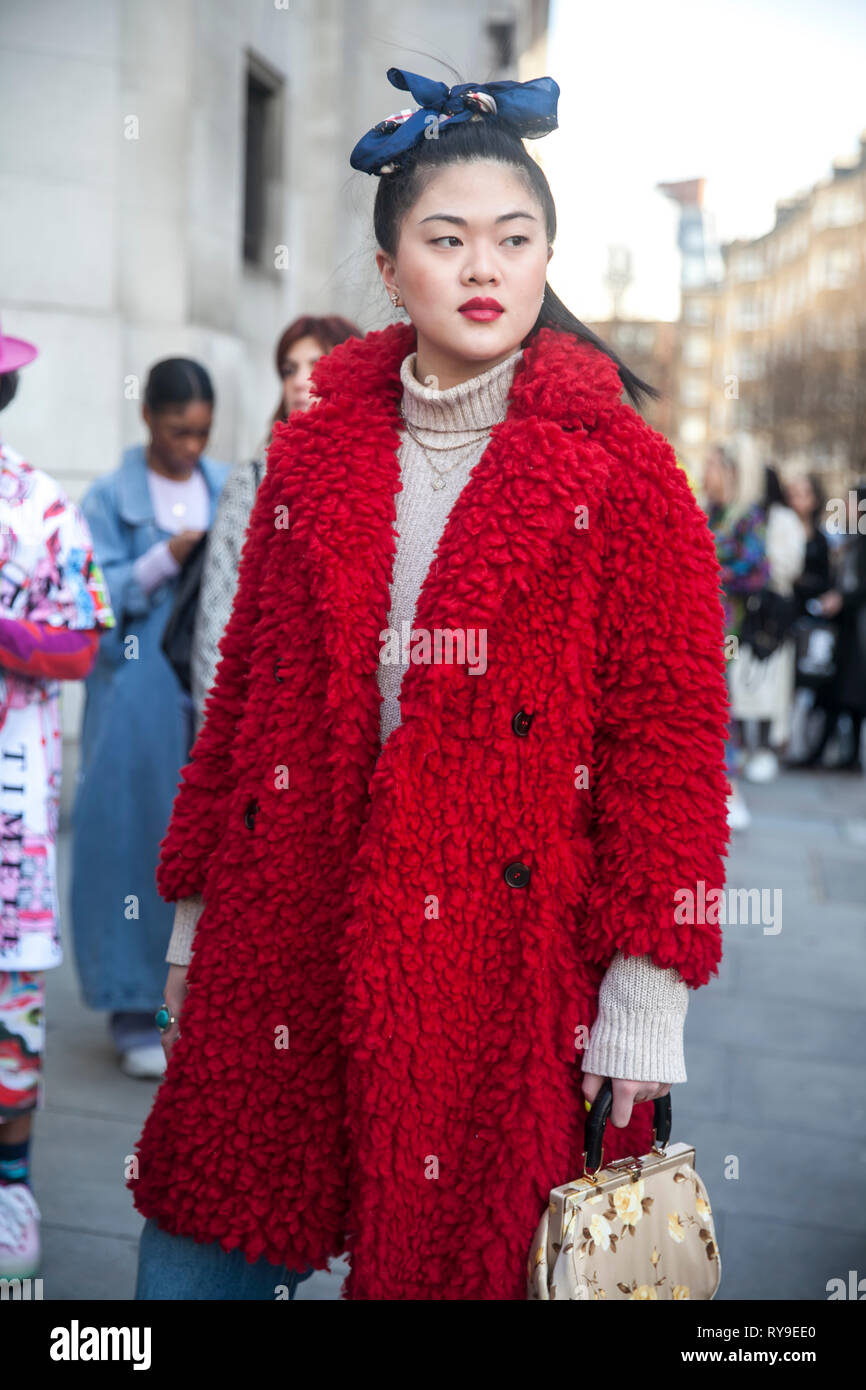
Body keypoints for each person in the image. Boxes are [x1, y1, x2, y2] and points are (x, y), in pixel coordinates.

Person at [130, 67, 730, 1302]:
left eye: (513, 240)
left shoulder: (621, 475)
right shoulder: (312, 453)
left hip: (500, 961)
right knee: (190, 1266)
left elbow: (668, 747)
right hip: (283, 923)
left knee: (452, 1264)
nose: (482, 267)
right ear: (389, 265)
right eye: (446, 238)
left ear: (546, 257)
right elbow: (246, 703)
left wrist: (646, 997)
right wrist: (193, 915)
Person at [70, 359, 229, 1079]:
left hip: (207, 692)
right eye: (177, 431)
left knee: (200, 847)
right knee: (133, 842)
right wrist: (163, 560)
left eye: (201, 432)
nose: (190, 447)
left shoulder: (226, 488)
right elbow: (86, 605)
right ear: (148, 420)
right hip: (134, 695)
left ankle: (195, 1008)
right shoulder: (108, 498)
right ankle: (134, 1007)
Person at [0, 321, 115, 1278]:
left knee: (9, 1020)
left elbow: (78, 644)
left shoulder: (41, 508)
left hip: (10, 825)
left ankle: (11, 1195)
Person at [189, 314, 361, 733]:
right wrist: (232, 732)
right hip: (263, 728)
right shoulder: (251, 481)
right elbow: (217, 624)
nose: (301, 381)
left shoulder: (388, 477)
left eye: (317, 365)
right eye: (289, 369)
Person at [702, 443, 770, 831]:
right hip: (700, 622)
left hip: (727, 626)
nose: (706, 473)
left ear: (728, 471)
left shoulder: (746, 517)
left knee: (721, 704)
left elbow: (758, 571)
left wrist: (712, 572)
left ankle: (732, 789)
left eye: (711, 466)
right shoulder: (708, 512)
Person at [726, 465, 806, 781]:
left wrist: (762, 565)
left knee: (771, 681)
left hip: (773, 610)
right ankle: (747, 745)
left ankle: (764, 749)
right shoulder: (747, 516)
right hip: (750, 609)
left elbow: (787, 564)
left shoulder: (782, 519)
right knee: (746, 677)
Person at [792, 478, 866, 771]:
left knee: (851, 691)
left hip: (857, 629)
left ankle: (844, 756)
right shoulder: (852, 540)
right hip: (846, 627)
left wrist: (842, 598)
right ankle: (831, 753)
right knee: (839, 690)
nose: (845, 507)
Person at [784, 472, 833, 765]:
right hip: (784, 617)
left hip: (810, 622)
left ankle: (800, 744)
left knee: (807, 684)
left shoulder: (821, 539)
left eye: (804, 494)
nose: (797, 500)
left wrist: (801, 581)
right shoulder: (780, 529)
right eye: (794, 493)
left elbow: (824, 580)